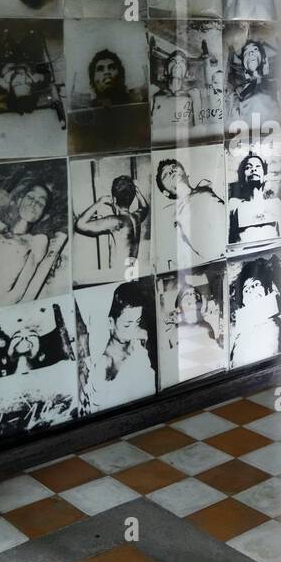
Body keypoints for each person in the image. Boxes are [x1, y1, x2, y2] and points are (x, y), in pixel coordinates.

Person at [0, 180, 67, 306]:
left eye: (40, 203)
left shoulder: (37, 241)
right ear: (19, 201)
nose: (34, 203)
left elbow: (19, 292)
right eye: (30, 197)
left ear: (44, 215)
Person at [86, 281, 156, 409]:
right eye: (127, 324)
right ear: (110, 322)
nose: (133, 329)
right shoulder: (105, 364)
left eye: (137, 322)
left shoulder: (137, 342)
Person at [155, 158, 225, 269]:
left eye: (174, 167)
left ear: (186, 172)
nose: (171, 172)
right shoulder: (170, 214)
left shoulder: (207, 186)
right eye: (165, 175)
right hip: (214, 261)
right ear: (165, 192)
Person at [73, 174, 148, 275]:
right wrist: (136, 191)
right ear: (132, 197)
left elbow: (79, 225)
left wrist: (99, 202)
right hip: (132, 273)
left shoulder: (115, 222)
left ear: (114, 199)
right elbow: (145, 207)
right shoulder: (136, 217)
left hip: (118, 275)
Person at [228, 257, 281, 366]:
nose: (250, 290)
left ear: (267, 290)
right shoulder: (235, 332)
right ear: (244, 302)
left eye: (255, 285)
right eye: (246, 290)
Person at [228, 151, 281, 245]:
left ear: (264, 175)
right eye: (248, 167)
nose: (253, 169)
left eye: (258, 166)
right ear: (242, 177)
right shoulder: (234, 205)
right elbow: (229, 243)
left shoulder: (275, 204)